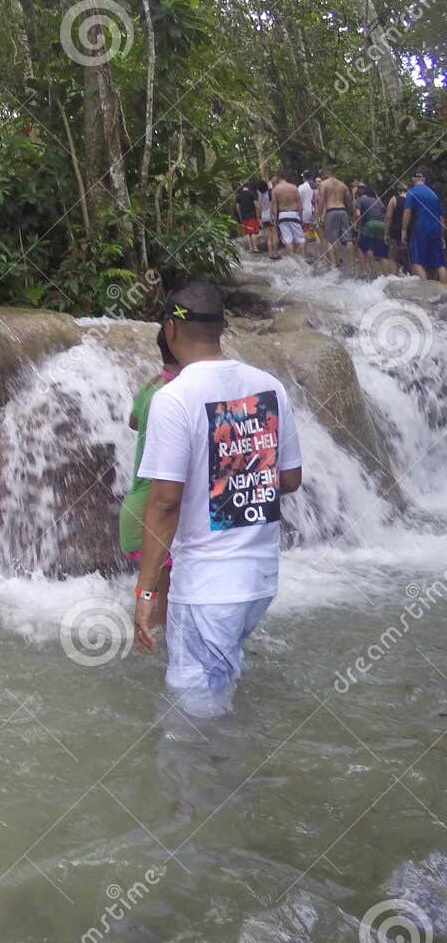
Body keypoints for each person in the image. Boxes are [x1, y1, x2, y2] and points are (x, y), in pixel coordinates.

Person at [133, 283, 303, 717]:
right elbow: (290, 477)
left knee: (191, 722)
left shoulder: (174, 399)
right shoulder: (269, 387)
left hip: (207, 587)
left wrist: (146, 591)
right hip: (259, 581)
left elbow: (165, 503)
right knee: (220, 687)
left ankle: (219, 782)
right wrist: (235, 470)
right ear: (222, 328)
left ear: (170, 328)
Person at [119, 324, 180, 628]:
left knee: (157, 599)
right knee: (164, 611)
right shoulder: (174, 394)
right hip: (154, 509)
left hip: (137, 506)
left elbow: (133, 422)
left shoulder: (152, 387)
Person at [401, 169, 446, 282]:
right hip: (435, 229)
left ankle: (425, 293)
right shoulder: (434, 194)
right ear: (424, 179)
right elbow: (441, 218)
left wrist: (404, 231)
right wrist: (441, 235)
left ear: (412, 179)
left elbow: (407, 212)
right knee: (439, 264)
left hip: (420, 228)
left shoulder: (412, 192)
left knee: (417, 262)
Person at [316, 168, 351, 269]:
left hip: (331, 211)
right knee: (348, 239)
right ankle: (352, 264)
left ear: (326, 174)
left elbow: (322, 199)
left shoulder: (324, 184)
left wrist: (319, 215)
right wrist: (349, 214)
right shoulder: (343, 184)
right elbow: (349, 201)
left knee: (330, 239)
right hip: (342, 210)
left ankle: (334, 264)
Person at [354, 185, 387, 275]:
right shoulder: (375, 200)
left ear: (357, 195)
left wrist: (358, 226)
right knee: (381, 252)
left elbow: (357, 214)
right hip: (382, 224)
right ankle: (386, 274)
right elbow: (384, 208)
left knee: (362, 247)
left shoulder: (359, 200)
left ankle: (367, 271)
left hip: (370, 224)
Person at [270, 174, 304, 256]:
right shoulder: (294, 187)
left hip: (282, 215)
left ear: (279, 178)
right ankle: (302, 258)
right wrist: (301, 216)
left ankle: (293, 260)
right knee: (300, 239)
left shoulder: (275, 190)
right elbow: (299, 203)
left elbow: (274, 206)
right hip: (294, 214)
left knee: (287, 239)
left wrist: (274, 218)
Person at [384, 183, 408, 275]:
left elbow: (388, 216)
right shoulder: (411, 200)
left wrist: (385, 233)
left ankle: (394, 277)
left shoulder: (394, 199)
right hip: (408, 231)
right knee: (408, 256)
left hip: (395, 231)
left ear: (398, 191)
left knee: (393, 257)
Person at [234, 180, 261, 252]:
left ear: (242, 186)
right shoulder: (251, 193)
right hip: (252, 215)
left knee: (247, 233)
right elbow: (256, 204)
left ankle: (250, 248)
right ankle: (255, 247)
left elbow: (237, 207)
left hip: (244, 216)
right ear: (248, 185)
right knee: (253, 232)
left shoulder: (238, 195)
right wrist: (259, 213)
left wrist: (240, 216)